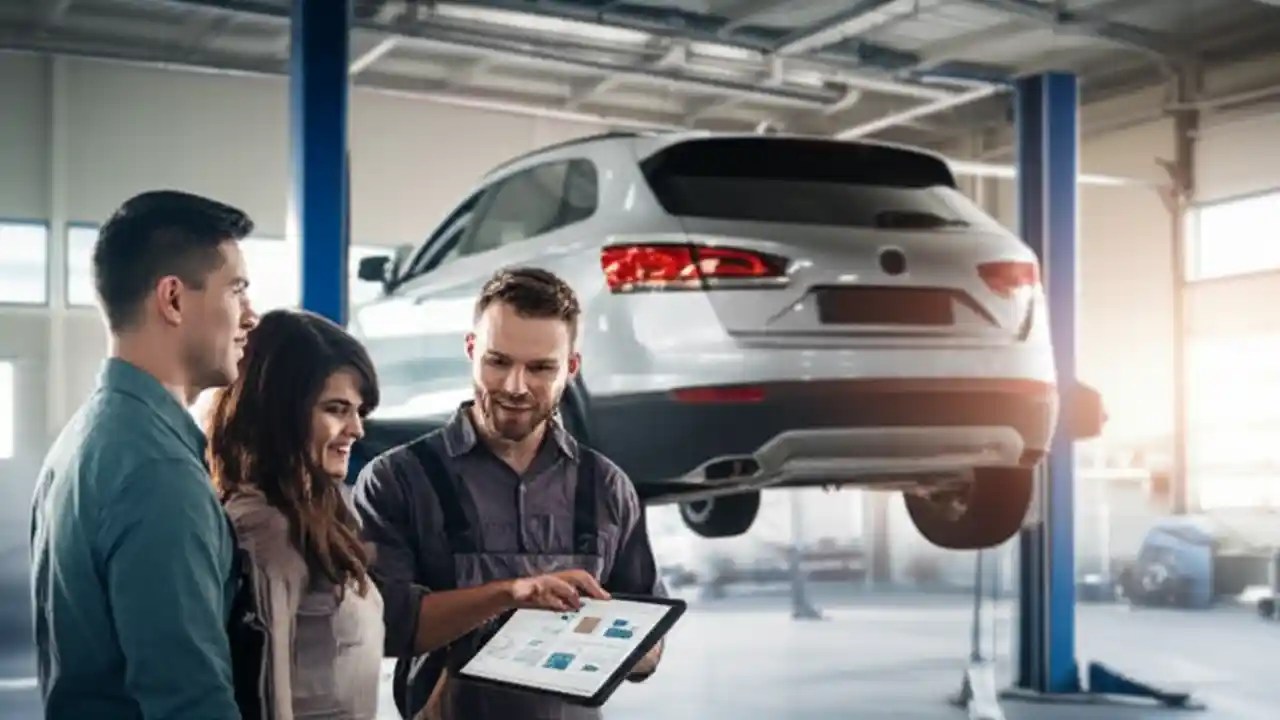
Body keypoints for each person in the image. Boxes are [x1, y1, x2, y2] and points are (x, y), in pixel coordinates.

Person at [353, 267, 668, 720]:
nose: (515, 387)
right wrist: (511, 595)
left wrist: (609, 636)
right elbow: (386, 628)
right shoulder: (399, 480)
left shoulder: (607, 486)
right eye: (497, 362)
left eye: (540, 368)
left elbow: (650, 650)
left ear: (571, 368)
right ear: (471, 350)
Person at [29, 190, 258, 719]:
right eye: (237, 290)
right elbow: (189, 702)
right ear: (173, 299)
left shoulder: (85, 439)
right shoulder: (157, 472)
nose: (250, 315)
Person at [205, 308, 387, 719]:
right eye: (336, 409)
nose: (357, 429)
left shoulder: (321, 510)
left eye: (359, 410)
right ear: (280, 412)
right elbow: (267, 696)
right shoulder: (264, 527)